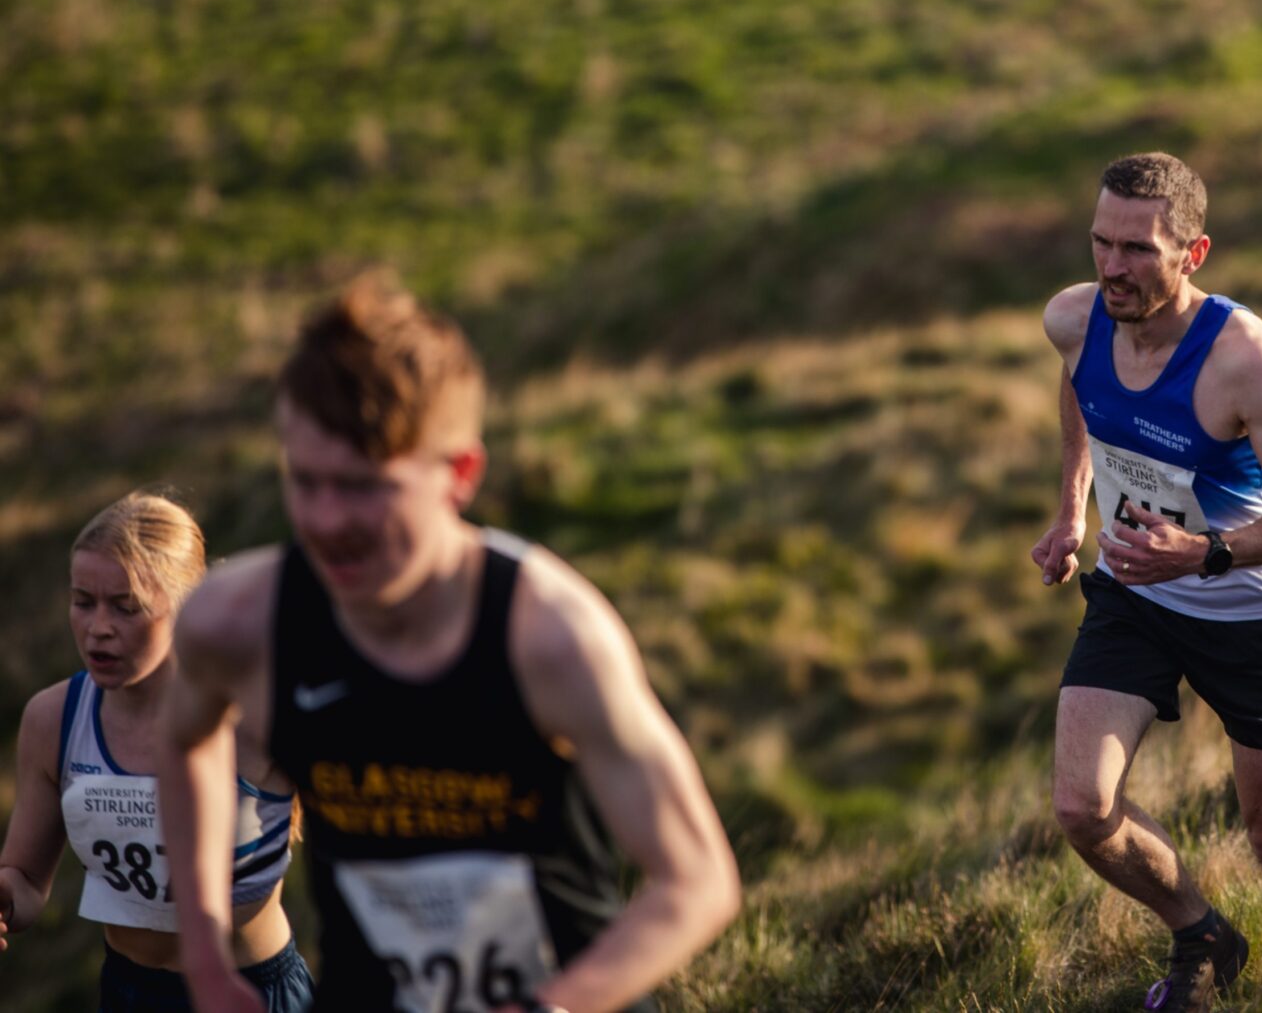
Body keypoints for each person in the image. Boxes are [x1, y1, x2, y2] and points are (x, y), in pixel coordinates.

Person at [158, 275, 741, 1013]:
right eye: (304, 481)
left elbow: (697, 879)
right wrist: (207, 961)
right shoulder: (237, 620)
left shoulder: (553, 634)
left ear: (460, 473)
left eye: (364, 486)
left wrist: (551, 1006)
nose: (328, 520)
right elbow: (184, 741)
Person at [1030, 152, 1262, 1012]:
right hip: (1133, 592)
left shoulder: (1243, 359)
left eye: (1136, 249)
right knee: (1081, 807)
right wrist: (1072, 510)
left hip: (1248, 609)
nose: (1111, 267)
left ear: (1192, 252)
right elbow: (1079, 388)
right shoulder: (1075, 318)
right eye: (1101, 242)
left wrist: (1201, 551)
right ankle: (1202, 930)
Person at [0, 493, 314, 1012]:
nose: (99, 627)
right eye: (83, 601)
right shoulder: (52, 718)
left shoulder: (256, 713)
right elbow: (27, 882)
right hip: (131, 993)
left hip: (253, 991)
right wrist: (7, 899)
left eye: (128, 608)